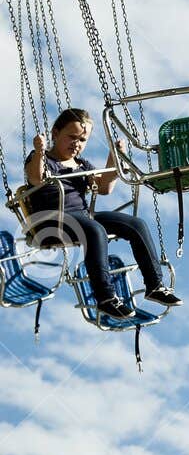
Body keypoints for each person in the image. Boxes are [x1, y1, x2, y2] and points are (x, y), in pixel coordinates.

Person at [23, 108, 180, 319]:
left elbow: (104, 187)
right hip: (51, 223)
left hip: (82, 217)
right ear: (55, 133)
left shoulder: (81, 165)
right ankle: (105, 297)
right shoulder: (41, 159)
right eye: (72, 137)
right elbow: (36, 179)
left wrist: (114, 159)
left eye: (82, 140)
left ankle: (155, 285)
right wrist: (39, 151)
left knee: (136, 224)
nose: (76, 144)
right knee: (94, 229)